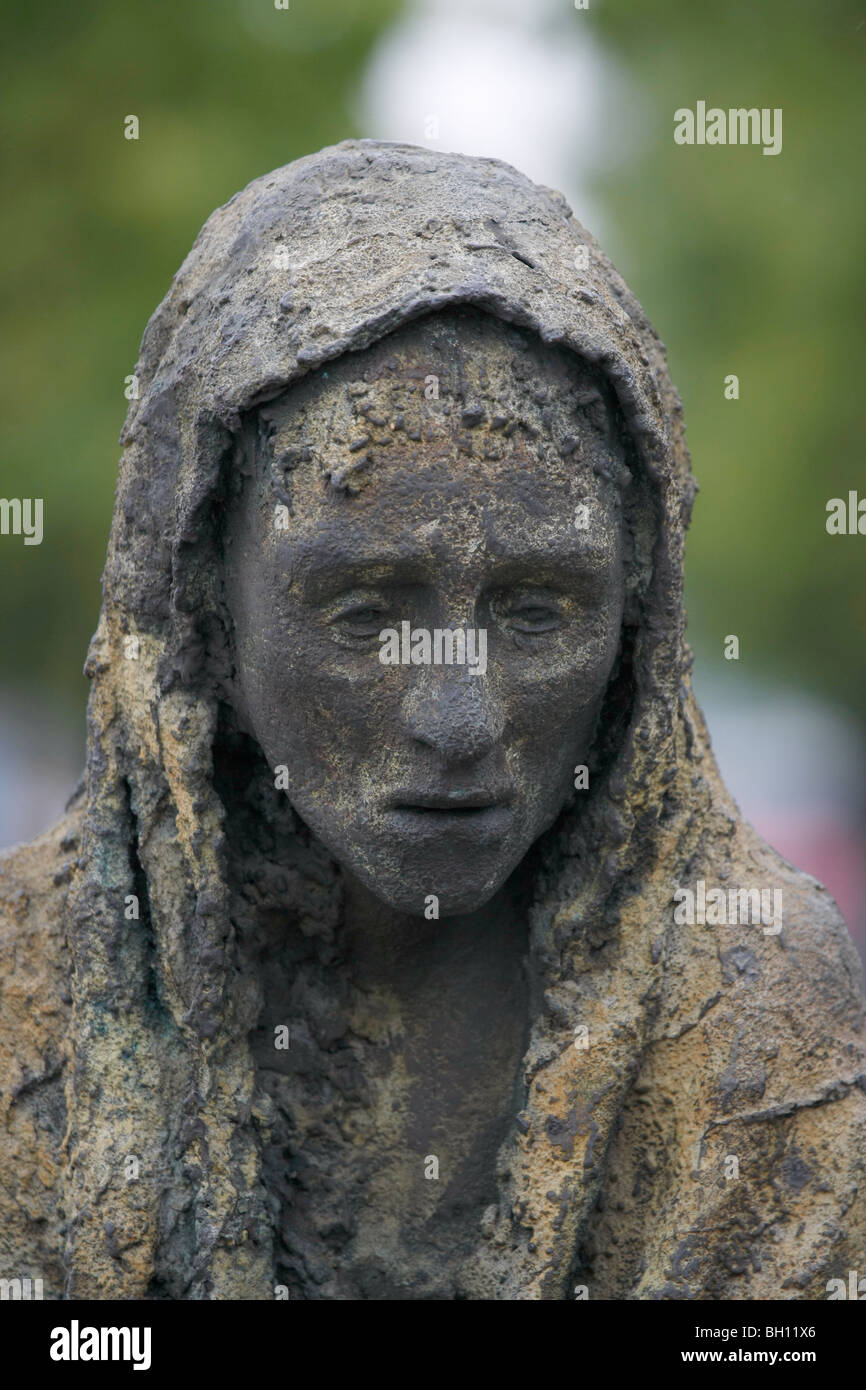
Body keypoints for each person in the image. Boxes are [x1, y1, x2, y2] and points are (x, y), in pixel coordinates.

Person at [1, 140, 863, 1301]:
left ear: (634, 625)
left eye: (538, 610)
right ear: (204, 605)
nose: (458, 718)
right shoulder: (24, 998)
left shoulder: (763, 1016)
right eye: (360, 611)